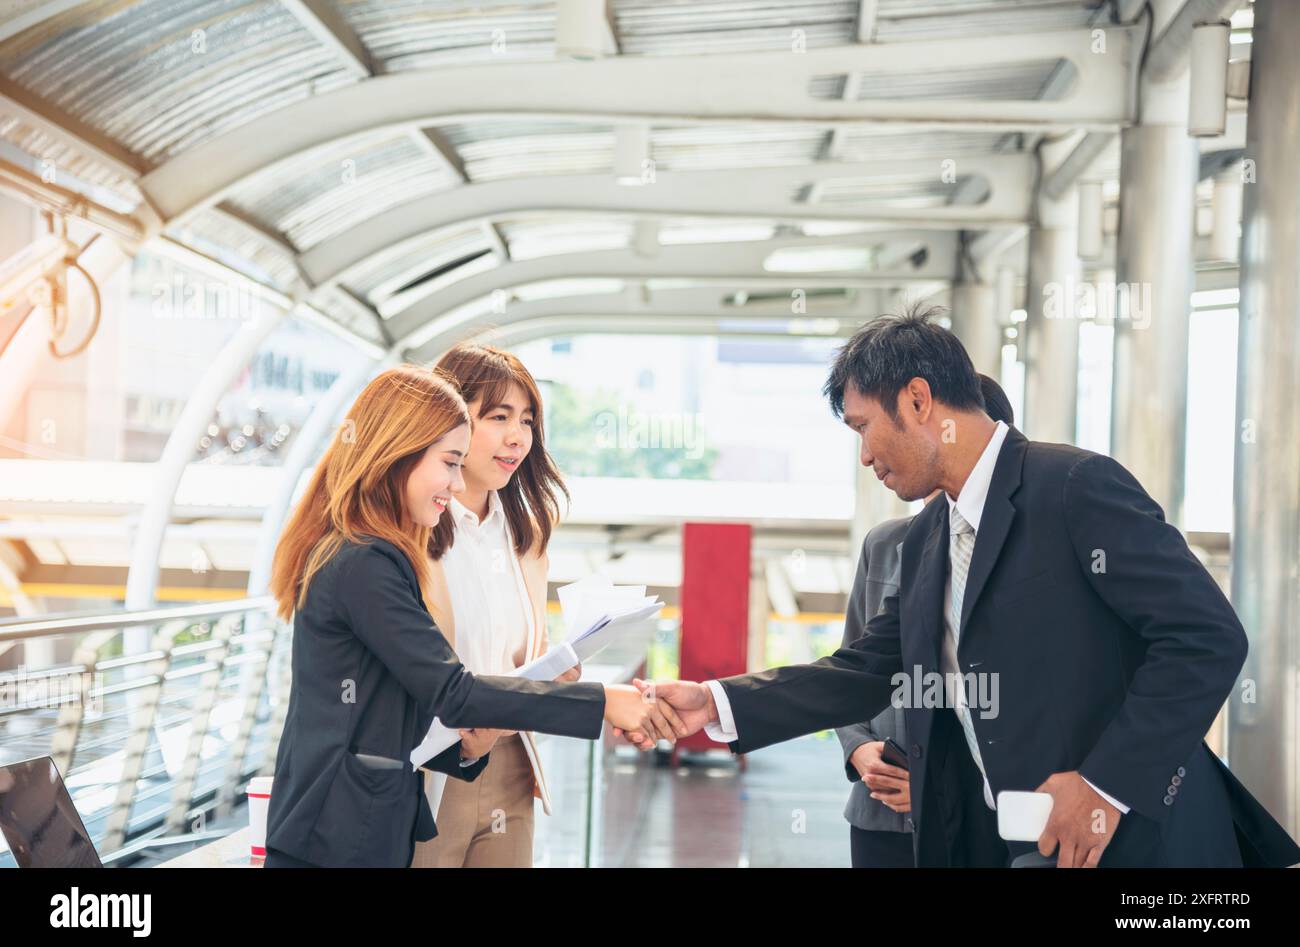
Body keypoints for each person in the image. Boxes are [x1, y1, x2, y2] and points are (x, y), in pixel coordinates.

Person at [629, 305, 1300, 869]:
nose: (864, 456)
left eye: (864, 427)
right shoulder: (927, 542)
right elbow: (862, 672)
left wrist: (1104, 784)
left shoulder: (1072, 487)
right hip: (1006, 843)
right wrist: (714, 701)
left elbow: (1206, 636)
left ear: (918, 400)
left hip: (1133, 841)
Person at [263, 365, 678, 868]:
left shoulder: (370, 554)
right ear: (398, 453)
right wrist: (601, 703)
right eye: (450, 462)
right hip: (337, 838)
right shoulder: (364, 562)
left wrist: (464, 747)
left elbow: (395, 709)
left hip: (358, 830)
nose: (457, 483)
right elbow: (452, 691)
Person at [839, 373, 1014, 868]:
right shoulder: (892, 545)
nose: (870, 458)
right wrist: (859, 751)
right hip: (879, 811)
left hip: (977, 813)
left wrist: (940, 782)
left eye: (866, 429)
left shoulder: (1030, 536)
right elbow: (854, 665)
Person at [411, 344, 574, 868]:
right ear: (450, 422)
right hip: (431, 771)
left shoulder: (526, 533)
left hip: (511, 764)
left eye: (526, 420)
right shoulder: (412, 531)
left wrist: (558, 669)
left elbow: (526, 649)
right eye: (498, 416)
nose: (517, 437)